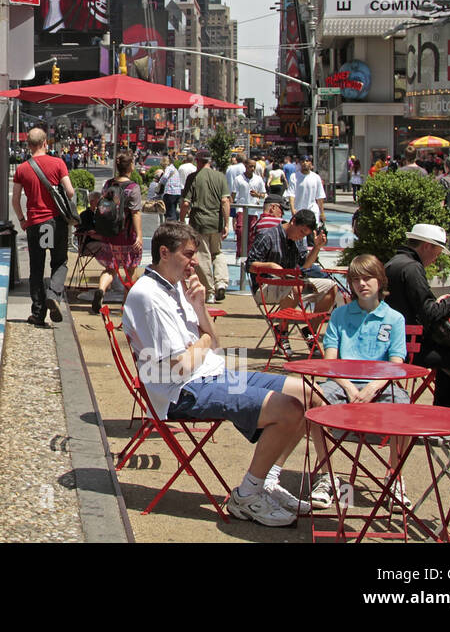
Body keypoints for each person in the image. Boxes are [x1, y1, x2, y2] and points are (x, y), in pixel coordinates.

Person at [122, 221, 312, 527]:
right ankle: (247, 496)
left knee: (306, 393)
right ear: (164, 253)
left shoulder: (177, 288)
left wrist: (199, 307)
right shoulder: (148, 296)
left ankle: (266, 481)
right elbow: (182, 365)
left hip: (214, 373)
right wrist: (204, 341)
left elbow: (214, 342)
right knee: (288, 408)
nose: (194, 261)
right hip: (183, 391)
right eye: (188, 254)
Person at [309, 253, 413, 509]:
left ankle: (395, 477)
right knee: (314, 399)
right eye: (356, 279)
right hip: (342, 383)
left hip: (380, 385)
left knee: (406, 405)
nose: (362, 284)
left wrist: (371, 388)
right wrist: (350, 386)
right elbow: (330, 362)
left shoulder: (395, 319)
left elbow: (396, 364)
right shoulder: (340, 315)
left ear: (380, 281)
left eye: (368, 278)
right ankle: (326, 474)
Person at [384, 224, 450, 443]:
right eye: (437, 251)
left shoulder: (393, 263)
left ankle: (445, 422)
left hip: (397, 342)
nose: (436, 257)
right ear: (426, 246)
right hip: (410, 347)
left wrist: (440, 302)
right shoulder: (412, 268)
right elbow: (429, 314)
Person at [247, 208, 340, 358]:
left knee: (331, 287)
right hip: (266, 285)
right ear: (293, 221)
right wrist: (270, 266)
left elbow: (306, 265)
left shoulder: (299, 241)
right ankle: (282, 331)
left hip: (292, 284)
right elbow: (250, 265)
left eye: (305, 234)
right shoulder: (268, 236)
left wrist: (316, 247)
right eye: (301, 232)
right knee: (296, 287)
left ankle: (310, 330)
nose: (301, 236)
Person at [12, 127, 78, 327]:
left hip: (34, 224)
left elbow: (15, 200)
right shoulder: (58, 163)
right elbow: (70, 191)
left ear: (29, 145)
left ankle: (38, 313)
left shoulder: (22, 168)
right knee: (59, 262)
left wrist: (22, 219)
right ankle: (54, 295)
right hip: (56, 222)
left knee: (36, 269)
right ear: (45, 143)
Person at [84, 153, 143, 317]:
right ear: (131, 166)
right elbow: (136, 213)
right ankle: (126, 305)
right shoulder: (133, 188)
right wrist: (139, 236)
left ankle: (101, 290)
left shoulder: (108, 184)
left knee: (110, 268)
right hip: (127, 235)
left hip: (110, 235)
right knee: (130, 271)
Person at [178, 149, 231, 303]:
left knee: (203, 256)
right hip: (217, 222)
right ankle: (221, 282)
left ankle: (210, 291)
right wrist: (226, 223)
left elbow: (186, 203)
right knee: (218, 253)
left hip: (199, 222)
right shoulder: (220, 177)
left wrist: (182, 221)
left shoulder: (193, 178)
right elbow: (225, 201)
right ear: (210, 160)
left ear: (198, 161)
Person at [286, 158, 327, 226]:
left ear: (311, 163)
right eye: (302, 161)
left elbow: (320, 196)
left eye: (307, 161)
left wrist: (322, 213)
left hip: (312, 210)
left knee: (312, 233)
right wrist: (292, 209)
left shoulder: (316, 177)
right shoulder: (294, 176)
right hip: (299, 210)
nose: (305, 163)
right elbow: (291, 194)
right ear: (299, 163)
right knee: (298, 234)